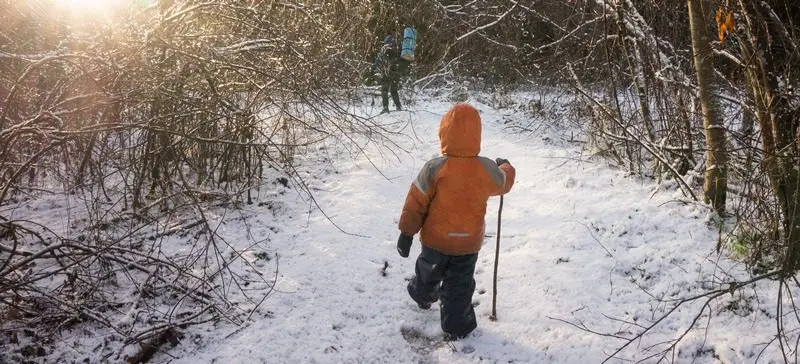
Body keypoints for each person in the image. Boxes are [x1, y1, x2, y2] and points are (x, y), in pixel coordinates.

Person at [395, 103, 516, 340]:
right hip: (467, 245)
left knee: (427, 272)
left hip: (435, 242)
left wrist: (406, 233)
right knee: (459, 286)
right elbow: (505, 182)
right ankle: (457, 324)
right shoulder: (486, 168)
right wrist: (506, 165)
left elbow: (416, 202)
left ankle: (422, 294)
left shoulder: (434, 168)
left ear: (444, 133)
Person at [373, 35, 402, 113]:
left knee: (384, 90)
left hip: (386, 73)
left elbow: (378, 61)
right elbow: (397, 61)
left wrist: (375, 68)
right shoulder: (396, 50)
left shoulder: (385, 50)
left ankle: (386, 108)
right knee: (393, 90)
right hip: (394, 73)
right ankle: (398, 106)